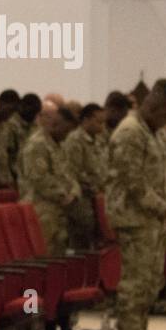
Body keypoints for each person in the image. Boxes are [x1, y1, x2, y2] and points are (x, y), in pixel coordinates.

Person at [105, 88, 166, 330]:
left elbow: (163, 170)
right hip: (133, 216)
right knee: (135, 279)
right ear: (154, 109)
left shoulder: (151, 132)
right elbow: (133, 182)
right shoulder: (130, 132)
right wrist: (163, 205)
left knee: (150, 277)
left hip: (149, 216)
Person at [19, 107, 79, 257]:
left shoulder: (59, 145)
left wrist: (74, 193)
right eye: (66, 131)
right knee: (43, 257)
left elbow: (69, 174)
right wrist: (64, 195)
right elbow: (40, 179)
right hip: (41, 211)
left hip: (59, 212)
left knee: (59, 259)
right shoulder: (37, 145)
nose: (67, 136)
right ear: (55, 125)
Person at [63, 103, 108, 250]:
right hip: (81, 195)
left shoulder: (99, 140)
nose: (102, 126)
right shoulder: (74, 140)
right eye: (98, 122)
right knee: (85, 230)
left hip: (98, 194)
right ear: (86, 120)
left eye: (103, 122)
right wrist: (94, 185)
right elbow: (72, 172)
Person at [0, 89, 21, 191]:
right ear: (1, 104)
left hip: (4, 183)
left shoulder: (6, 126)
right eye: (9, 111)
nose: (10, 115)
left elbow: (8, 155)